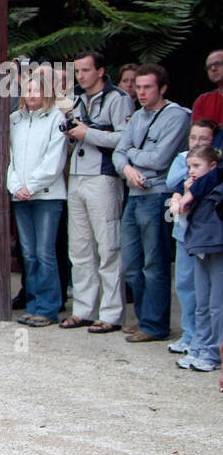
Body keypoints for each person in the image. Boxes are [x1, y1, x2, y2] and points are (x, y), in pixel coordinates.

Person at [113, 64, 193, 342]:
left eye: (147, 87)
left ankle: (155, 325)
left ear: (163, 88)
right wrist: (127, 169)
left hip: (158, 195)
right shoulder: (136, 116)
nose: (141, 92)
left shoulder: (177, 116)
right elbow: (117, 155)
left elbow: (160, 159)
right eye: (138, 86)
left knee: (154, 263)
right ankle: (145, 318)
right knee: (132, 264)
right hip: (134, 194)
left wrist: (130, 155)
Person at [61, 51, 135, 333]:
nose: (81, 76)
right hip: (78, 176)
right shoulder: (77, 99)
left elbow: (124, 138)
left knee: (108, 247)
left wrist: (87, 133)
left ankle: (112, 313)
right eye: (77, 71)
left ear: (101, 71)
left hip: (104, 177)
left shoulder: (118, 99)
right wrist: (71, 135)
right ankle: (83, 309)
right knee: (79, 248)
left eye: (86, 70)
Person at [7, 71, 69, 326]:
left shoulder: (57, 118)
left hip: (47, 195)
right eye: (27, 90)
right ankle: (32, 303)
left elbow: (54, 161)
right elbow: (8, 157)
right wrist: (15, 186)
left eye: (36, 90)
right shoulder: (15, 120)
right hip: (20, 195)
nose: (31, 95)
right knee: (28, 254)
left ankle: (48, 307)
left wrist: (30, 186)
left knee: (45, 253)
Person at [166, 119, 220, 353]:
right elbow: (172, 184)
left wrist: (186, 196)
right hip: (185, 236)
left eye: (203, 139)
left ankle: (208, 346)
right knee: (186, 285)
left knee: (211, 297)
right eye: (193, 138)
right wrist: (181, 195)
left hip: (209, 242)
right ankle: (192, 336)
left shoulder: (213, 178)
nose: (196, 142)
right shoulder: (183, 161)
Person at [192, 49, 223, 126]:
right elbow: (198, 133)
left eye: (218, 64)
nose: (213, 69)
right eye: (209, 67)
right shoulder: (203, 100)